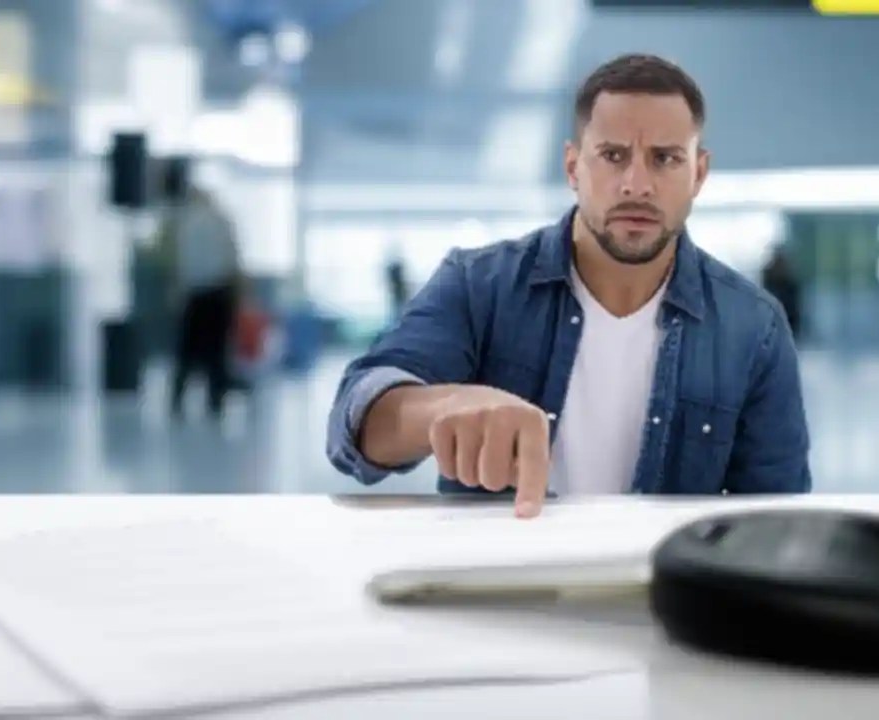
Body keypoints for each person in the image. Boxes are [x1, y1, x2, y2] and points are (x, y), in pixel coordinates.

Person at [326, 53, 811, 518]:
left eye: (665, 159)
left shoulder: (754, 327)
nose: (637, 184)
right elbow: (354, 422)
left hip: (662, 577)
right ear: (573, 167)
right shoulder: (479, 286)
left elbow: (777, 520)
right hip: (499, 574)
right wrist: (443, 408)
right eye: (613, 156)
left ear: (698, 174)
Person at [163, 185, 242, 419]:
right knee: (217, 350)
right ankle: (215, 400)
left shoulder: (185, 223)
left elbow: (177, 261)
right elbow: (232, 257)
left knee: (187, 349)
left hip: (194, 294)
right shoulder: (221, 221)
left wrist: (176, 291)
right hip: (219, 292)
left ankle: (177, 398)